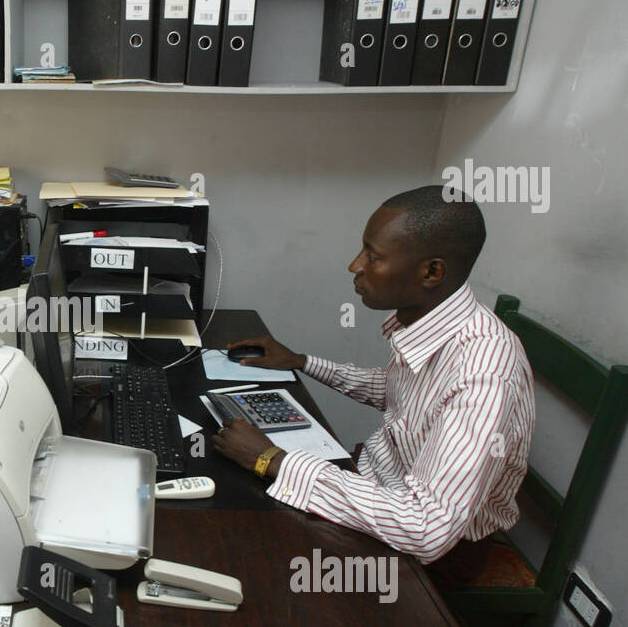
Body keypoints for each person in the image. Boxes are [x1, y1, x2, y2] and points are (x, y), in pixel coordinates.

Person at [213, 185, 535, 570]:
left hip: (430, 556)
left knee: (247, 556)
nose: (355, 266)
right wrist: (301, 361)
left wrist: (272, 459)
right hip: (374, 490)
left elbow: (427, 528)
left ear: (432, 271)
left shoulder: (483, 373)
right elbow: (398, 392)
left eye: (373, 255)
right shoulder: (432, 322)